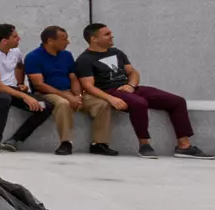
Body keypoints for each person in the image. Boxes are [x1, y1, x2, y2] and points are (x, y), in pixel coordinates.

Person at [73, 22, 209, 159]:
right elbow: (88, 86)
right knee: (139, 103)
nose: (111, 36)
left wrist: (131, 85)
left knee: (177, 101)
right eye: (107, 34)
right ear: (94, 39)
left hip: (130, 88)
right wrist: (111, 99)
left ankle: (184, 146)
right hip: (110, 91)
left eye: (110, 33)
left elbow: (133, 73)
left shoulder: (117, 52)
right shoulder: (85, 59)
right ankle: (144, 145)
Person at [23, 26, 100, 156]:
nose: (68, 42)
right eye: (64, 39)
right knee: (63, 103)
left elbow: (73, 77)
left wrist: (78, 95)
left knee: (101, 104)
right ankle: (66, 142)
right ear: (50, 41)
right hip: (48, 94)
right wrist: (69, 98)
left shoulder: (67, 55)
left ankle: (99, 144)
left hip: (70, 91)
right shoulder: (33, 57)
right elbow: (40, 85)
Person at [0, 23, 47, 152]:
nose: (19, 38)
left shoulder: (15, 51)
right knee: (4, 99)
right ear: (4, 41)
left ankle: (15, 140)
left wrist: (20, 83)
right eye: (15, 36)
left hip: (11, 89)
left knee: (45, 106)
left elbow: (19, 66)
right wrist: (25, 96)